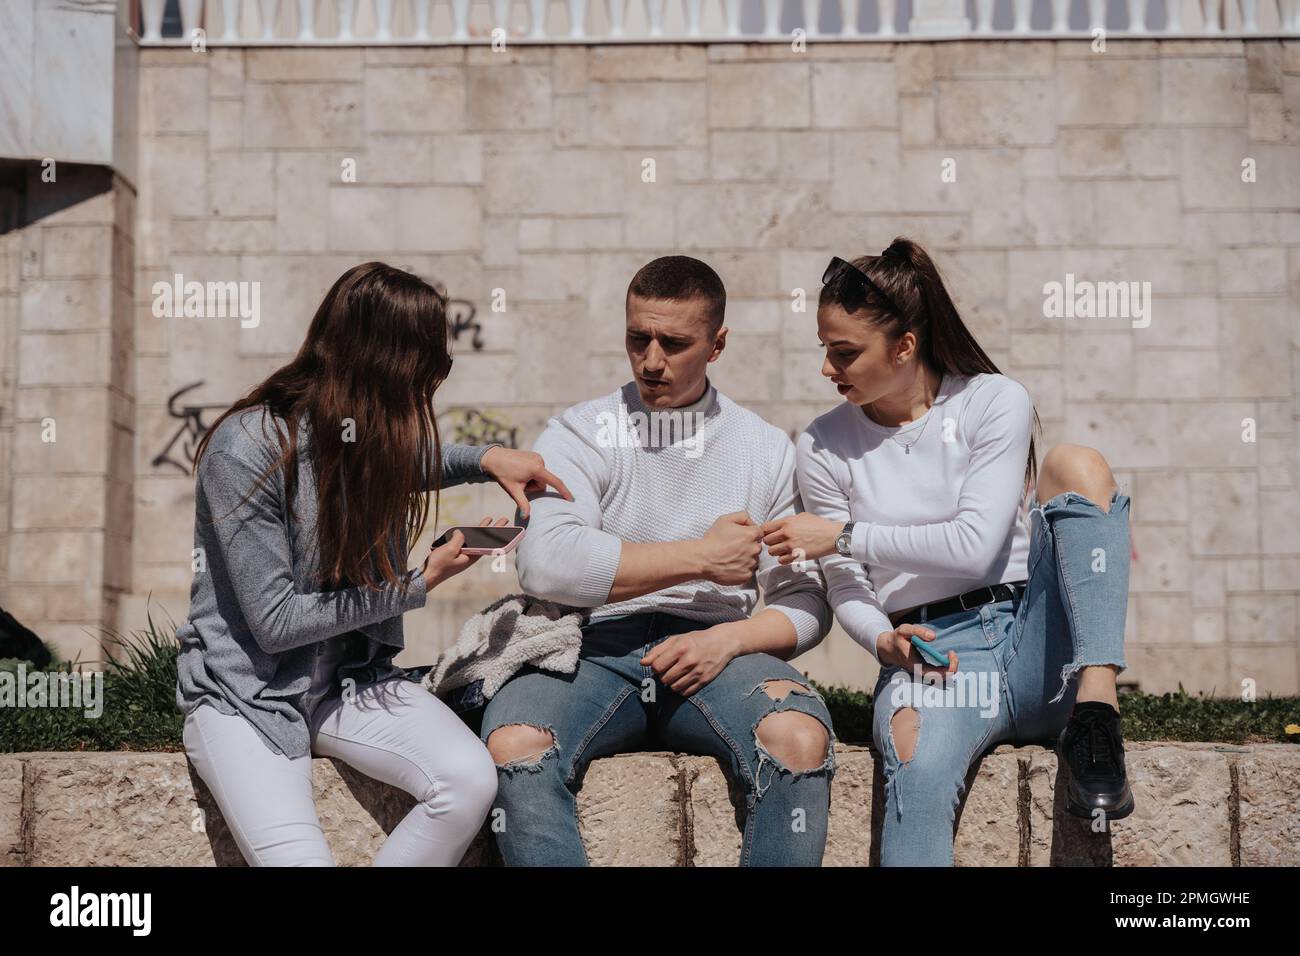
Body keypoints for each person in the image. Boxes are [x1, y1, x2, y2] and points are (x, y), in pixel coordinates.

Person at [176, 262, 570, 866]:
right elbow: (275, 623)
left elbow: (405, 459)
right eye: (417, 381)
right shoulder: (246, 450)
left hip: (348, 683)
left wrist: (489, 458)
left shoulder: (356, 435)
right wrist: (418, 584)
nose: (421, 401)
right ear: (380, 370)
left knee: (467, 781)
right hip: (249, 697)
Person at [762, 238, 1134, 867]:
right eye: (825, 350)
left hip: (1039, 645)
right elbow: (847, 584)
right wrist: (883, 643)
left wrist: (845, 535)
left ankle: (1097, 712)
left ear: (904, 346)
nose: (829, 368)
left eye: (845, 352)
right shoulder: (823, 445)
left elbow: (975, 544)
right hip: (935, 657)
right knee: (912, 751)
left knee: (1078, 466)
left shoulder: (994, 400)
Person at [483, 256, 836, 866]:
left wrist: (729, 640)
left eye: (674, 343)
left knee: (799, 739)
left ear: (717, 344)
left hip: (718, 649)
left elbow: (804, 600)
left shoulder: (766, 449)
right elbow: (547, 565)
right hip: (589, 646)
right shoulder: (581, 431)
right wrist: (702, 557)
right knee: (516, 745)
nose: (651, 361)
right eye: (637, 338)